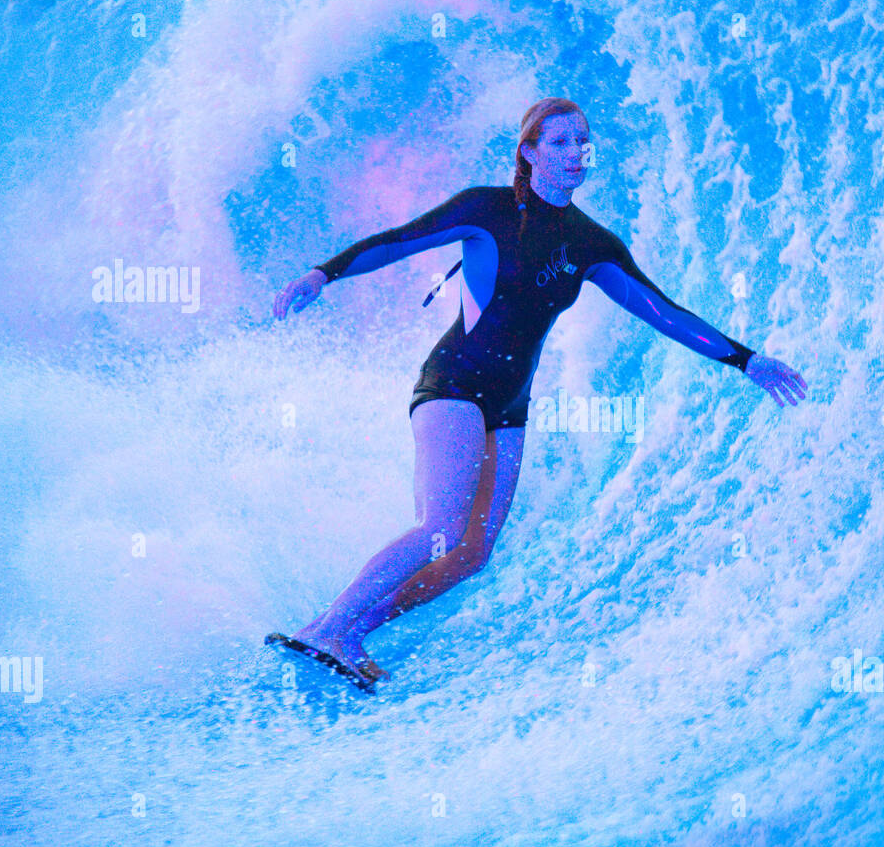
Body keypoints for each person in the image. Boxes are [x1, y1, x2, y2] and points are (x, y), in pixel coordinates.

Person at [269, 96, 807, 689]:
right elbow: (399, 241)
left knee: (471, 554)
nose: (576, 153)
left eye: (583, 142)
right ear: (529, 152)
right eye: (560, 142)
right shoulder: (487, 209)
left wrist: (744, 359)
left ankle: (352, 630)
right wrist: (324, 273)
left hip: (510, 405)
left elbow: (661, 311)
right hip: (454, 383)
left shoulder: (592, 244)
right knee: (438, 529)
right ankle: (327, 627)